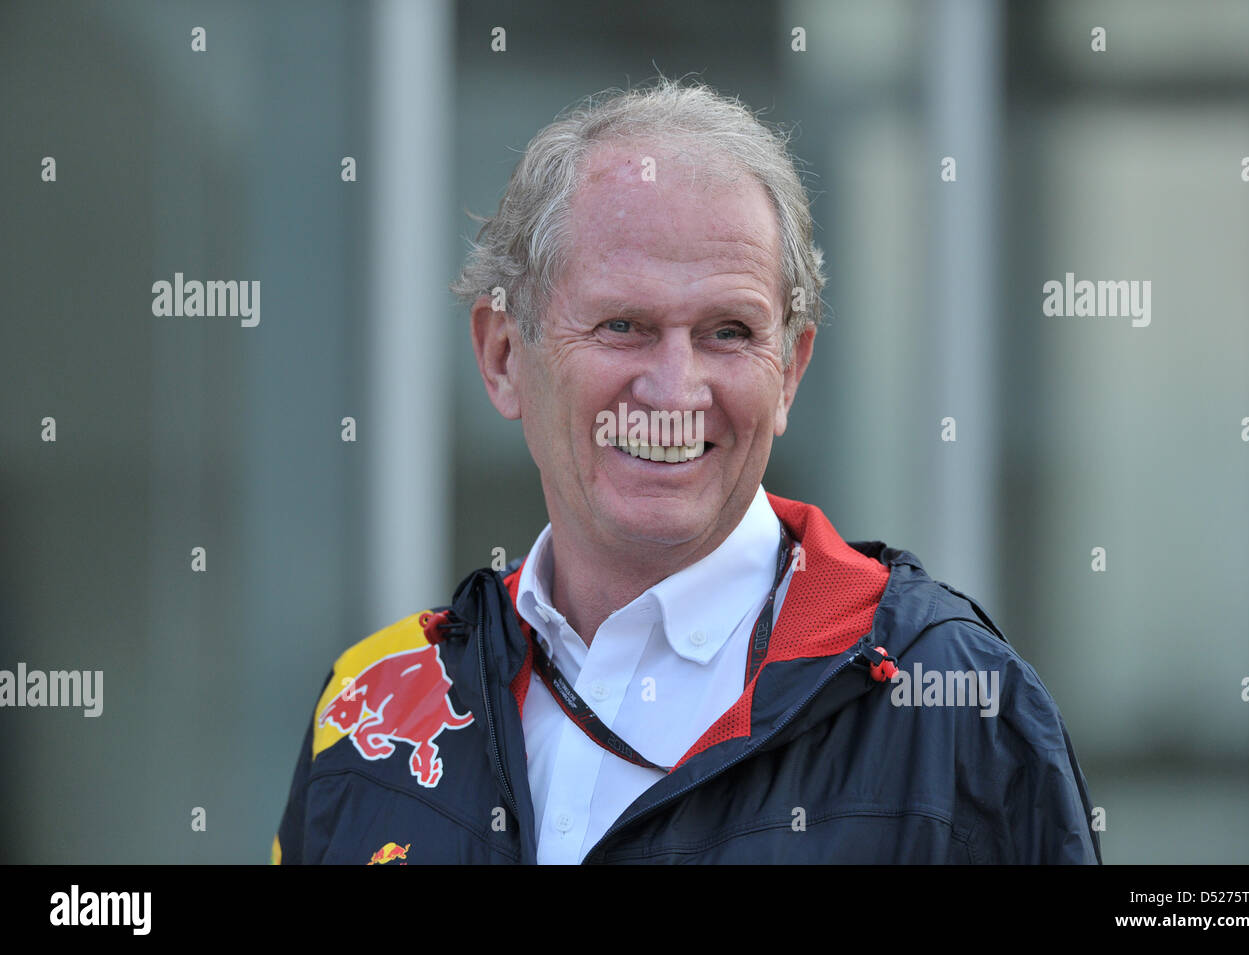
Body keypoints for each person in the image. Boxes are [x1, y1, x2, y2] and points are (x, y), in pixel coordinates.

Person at [272, 78, 1101, 865]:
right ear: (501, 355)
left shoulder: (959, 710)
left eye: (729, 332)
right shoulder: (374, 705)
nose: (674, 388)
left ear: (791, 368)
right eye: (624, 324)